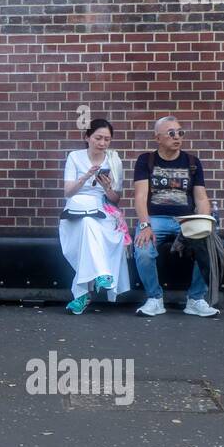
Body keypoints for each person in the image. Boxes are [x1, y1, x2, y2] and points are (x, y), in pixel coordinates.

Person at [132, 116, 219, 317]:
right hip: (156, 218)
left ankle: (196, 299)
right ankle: (154, 298)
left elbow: (201, 198)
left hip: (186, 220)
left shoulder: (192, 162)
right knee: (143, 250)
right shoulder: (146, 160)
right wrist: (145, 225)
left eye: (180, 132)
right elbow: (140, 196)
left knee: (209, 246)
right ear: (158, 138)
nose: (177, 137)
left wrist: (203, 221)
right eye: (171, 133)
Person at [59, 119, 132, 315]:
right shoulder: (74, 157)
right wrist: (86, 177)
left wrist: (107, 186)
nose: (102, 143)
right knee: (86, 224)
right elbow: (68, 192)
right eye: (98, 138)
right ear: (87, 137)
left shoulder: (114, 161)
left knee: (89, 225)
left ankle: (82, 294)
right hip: (75, 210)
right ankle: (102, 273)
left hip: (102, 210)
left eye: (107, 139)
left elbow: (116, 199)